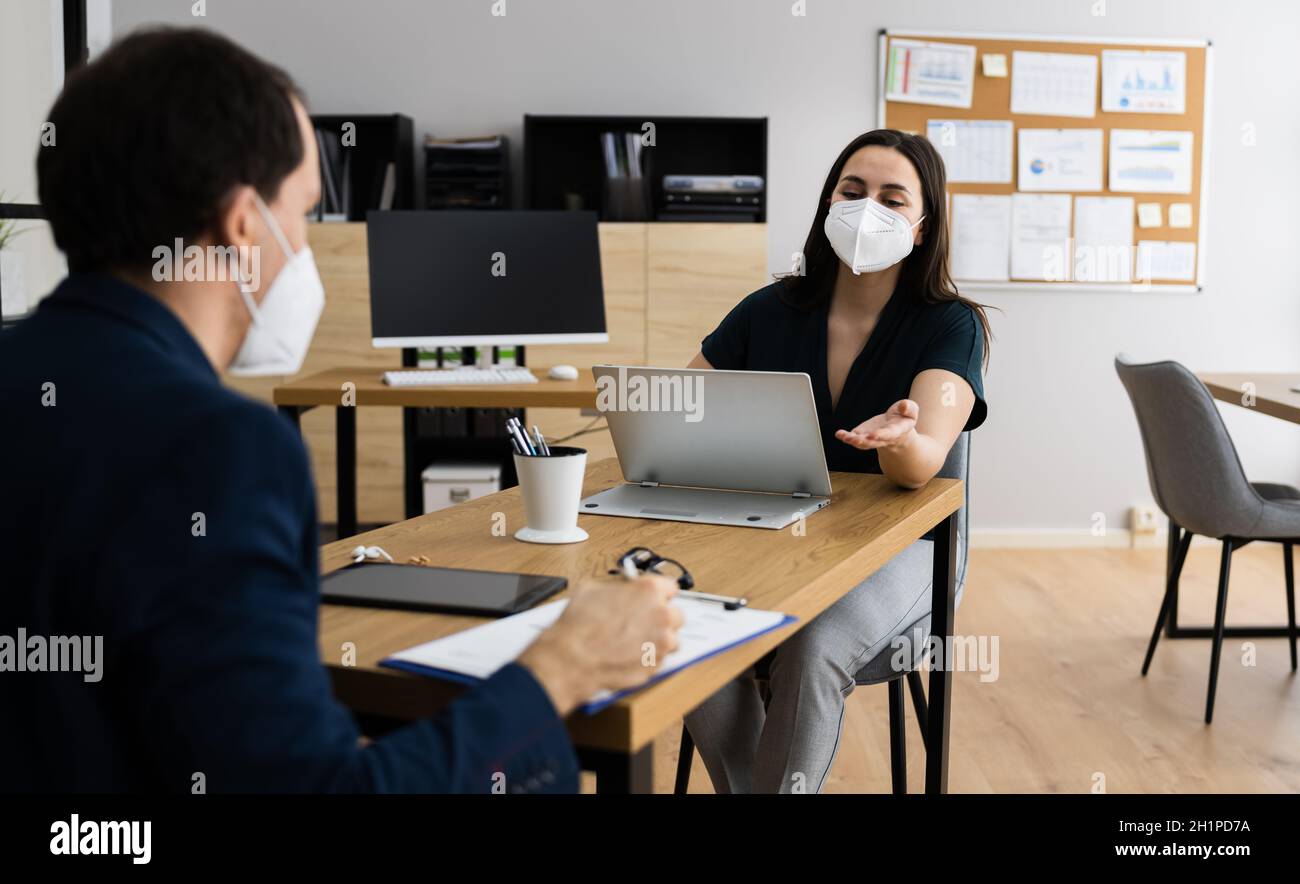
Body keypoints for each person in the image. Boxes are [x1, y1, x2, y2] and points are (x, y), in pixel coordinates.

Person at [0, 27, 683, 793]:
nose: (304, 247)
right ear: (242, 225)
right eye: (303, 214)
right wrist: (559, 669)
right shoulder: (219, 448)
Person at [683, 129, 991, 793]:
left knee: (811, 644)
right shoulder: (769, 309)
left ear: (921, 226)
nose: (866, 209)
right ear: (828, 205)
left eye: (891, 198)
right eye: (852, 192)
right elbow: (684, 406)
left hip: (905, 544)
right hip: (773, 532)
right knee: (686, 625)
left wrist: (900, 438)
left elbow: (923, 465)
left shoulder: (950, 325)